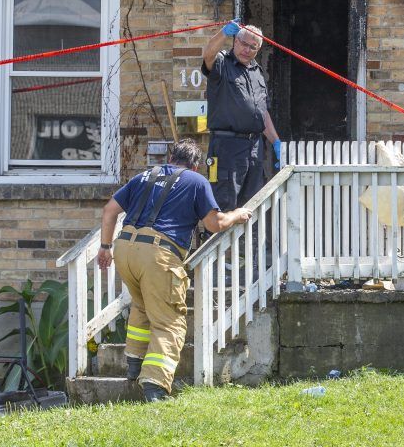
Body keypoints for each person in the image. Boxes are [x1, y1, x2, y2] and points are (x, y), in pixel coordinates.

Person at [96, 138, 251, 402]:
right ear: (195, 165)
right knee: (169, 321)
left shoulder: (145, 175)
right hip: (157, 254)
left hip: (124, 250)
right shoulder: (196, 181)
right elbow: (215, 223)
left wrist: (104, 247)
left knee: (142, 305)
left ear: (171, 158)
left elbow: (110, 210)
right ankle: (155, 386)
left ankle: (134, 365)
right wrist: (238, 213)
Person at [201, 20, 281, 211]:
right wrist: (223, 33)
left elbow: (263, 114)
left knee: (251, 205)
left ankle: (249, 242)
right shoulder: (221, 63)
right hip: (226, 148)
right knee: (223, 203)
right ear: (235, 41)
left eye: (253, 47)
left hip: (254, 148)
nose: (247, 49)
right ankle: (219, 241)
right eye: (244, 43)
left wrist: (276, 143)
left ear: (258, 50)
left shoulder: (257, 72)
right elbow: (208, 54)